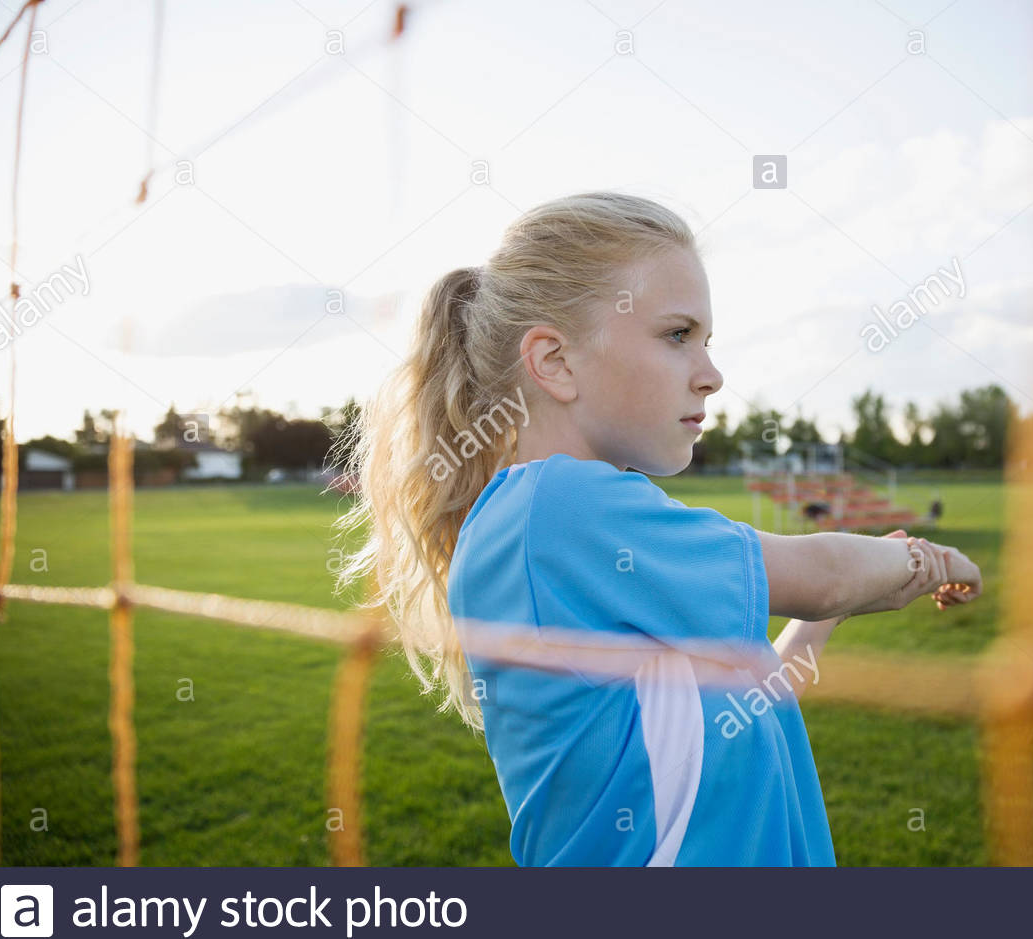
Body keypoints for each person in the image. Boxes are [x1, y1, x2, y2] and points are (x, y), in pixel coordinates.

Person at [333, 192, 981, 866]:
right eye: (678, 335)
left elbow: (746, 704)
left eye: (707, 341)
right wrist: (935, 562)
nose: (712, 375)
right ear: (554, 361)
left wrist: (837, 608)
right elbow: (823, 576)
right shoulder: (558, 504)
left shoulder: (563, 524)